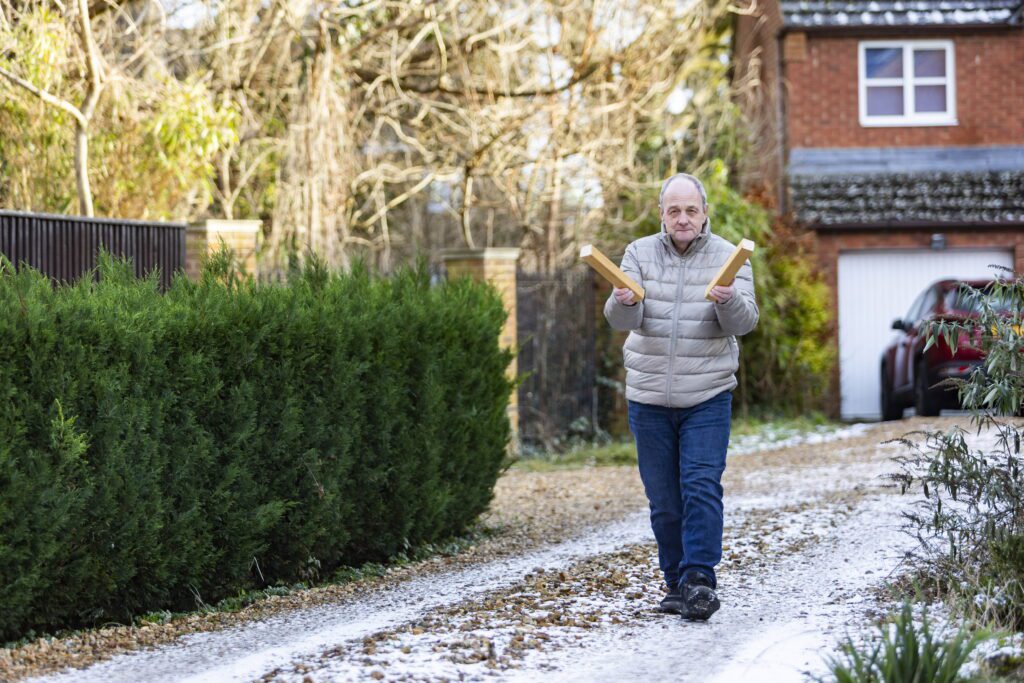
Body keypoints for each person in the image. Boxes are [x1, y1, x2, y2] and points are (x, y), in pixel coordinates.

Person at [603, 172, 758, 621]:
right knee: (665, 499)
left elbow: (744, 322)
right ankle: (675, 582)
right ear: (662, 215)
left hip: (707, 395)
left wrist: (727, 301)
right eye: (674, 211)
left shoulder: (730, 257)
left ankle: (700, 579)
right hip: (649, 398)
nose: (683, 218)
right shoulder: (638, 253)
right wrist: (624, 301)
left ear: (704, 211)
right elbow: (618, 320)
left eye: (691, 210)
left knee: (700, 486)